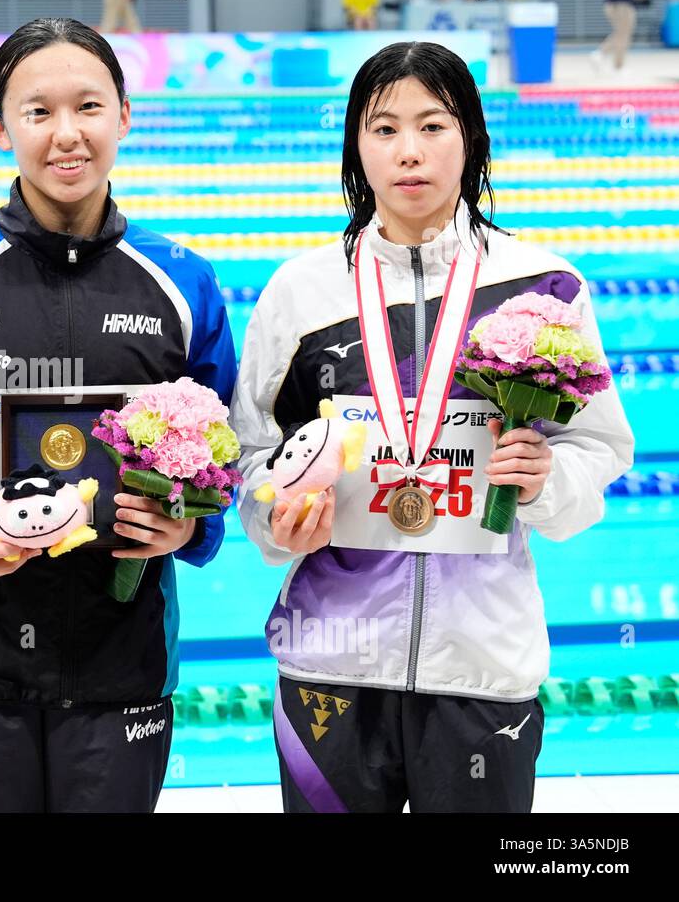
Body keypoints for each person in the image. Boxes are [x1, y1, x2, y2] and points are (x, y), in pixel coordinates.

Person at [229, 41, 633, 812]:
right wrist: (278, 518)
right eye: (383, 129)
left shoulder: (545, 286)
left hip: (483, 667)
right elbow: (252, 452)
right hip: (331, 669)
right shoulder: (299, 292)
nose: (409, 152)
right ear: (356, 144)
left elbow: (601, 448)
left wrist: (547, 484)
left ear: (471, 138)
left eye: (433, 125)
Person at [0, 17, 236, 813]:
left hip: (123, 652)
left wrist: (190, 526)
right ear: (0, 127)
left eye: (89, 107)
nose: (67, 134)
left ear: (125, 116)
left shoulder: (181, 281)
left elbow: (220, 447)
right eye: (38, 112)